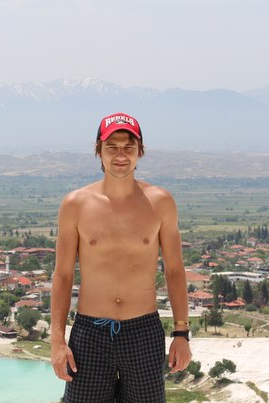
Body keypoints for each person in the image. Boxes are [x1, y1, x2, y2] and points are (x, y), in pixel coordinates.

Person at [50, 112, 192, 402]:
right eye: (111, 147)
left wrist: (182, 334)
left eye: (129, 147)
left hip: (143, 332)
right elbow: (63, 275)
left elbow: (175, 270)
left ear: (140, 151)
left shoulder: (161, 202)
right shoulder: (75, 204)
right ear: (98, 151)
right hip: (90, 333)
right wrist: (57, 340)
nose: (120, 155)